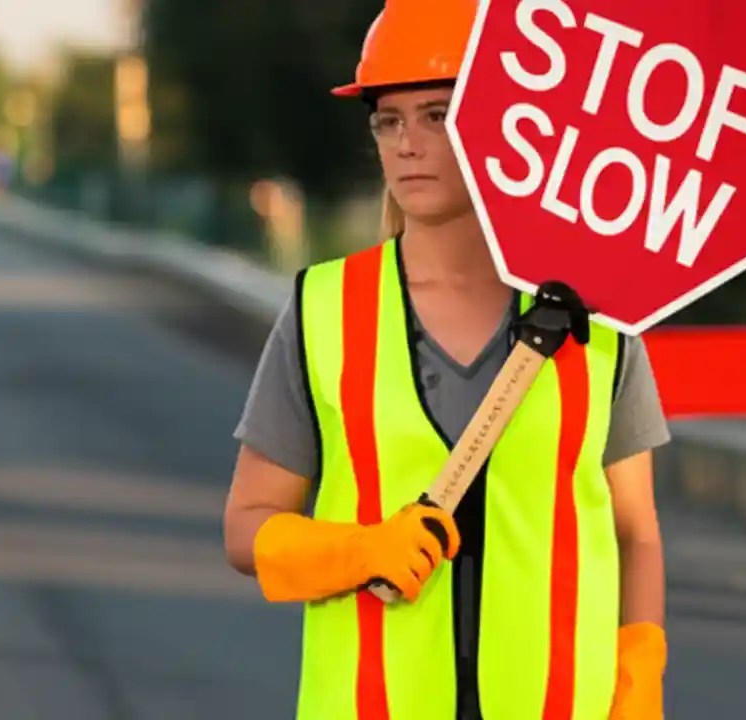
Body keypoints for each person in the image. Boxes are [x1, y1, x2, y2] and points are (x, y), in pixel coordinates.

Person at [222, 0, 670, 717]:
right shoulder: (325, 312)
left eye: (438, 115)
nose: (406, 144)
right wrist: (361, 551)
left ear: (510, 125)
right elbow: (246, 526)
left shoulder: (599, 321)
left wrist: (637, 680)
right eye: (388, 121)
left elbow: (634, 530)